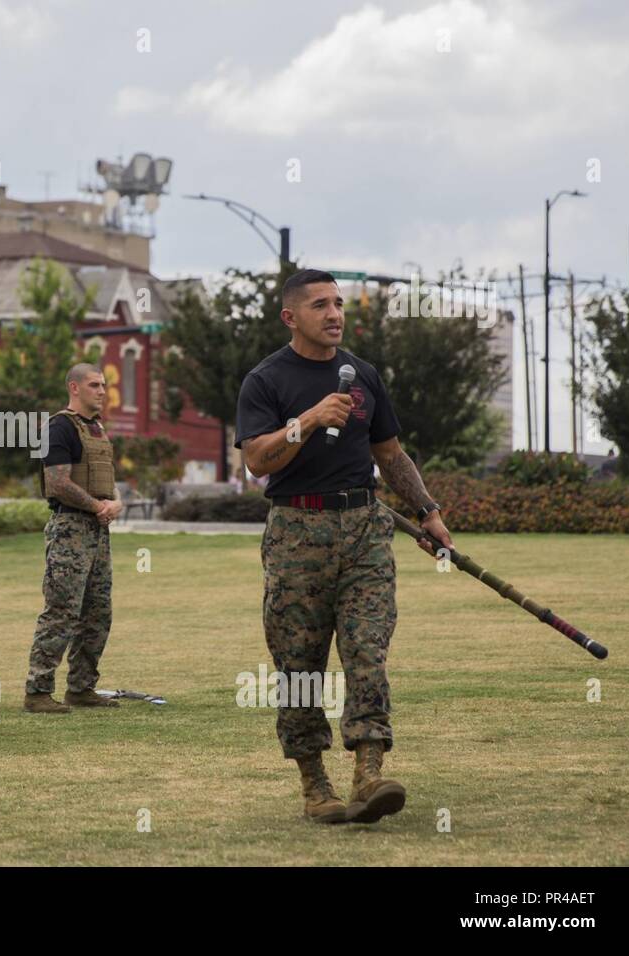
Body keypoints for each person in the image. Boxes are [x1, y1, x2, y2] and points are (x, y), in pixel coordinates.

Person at [235, 269, 453, 824]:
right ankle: (315, 786)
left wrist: (427, 511)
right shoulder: (265, 380)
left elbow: (390, 454)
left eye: (337, 304)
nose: (334, 314)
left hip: (365, 532)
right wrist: (305, 421)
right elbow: (256, 460)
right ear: (290, 317)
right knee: (300, 666)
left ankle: (369, 773)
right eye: (319, 305)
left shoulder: (364, 376)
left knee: (367, 653)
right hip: (296, 534)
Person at [23, 363, 125, 713]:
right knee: (61, 611)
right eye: (95, 384)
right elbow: (57, 483)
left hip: (98, 531)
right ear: (75, 388)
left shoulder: (97, 429)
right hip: (70, 530)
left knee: (98, 612)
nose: (102, 390)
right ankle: (38, 691)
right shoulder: (58, 428)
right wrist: (99, 505)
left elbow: (103, 480)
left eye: (104, 384)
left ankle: (81, 688)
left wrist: (116, 502)